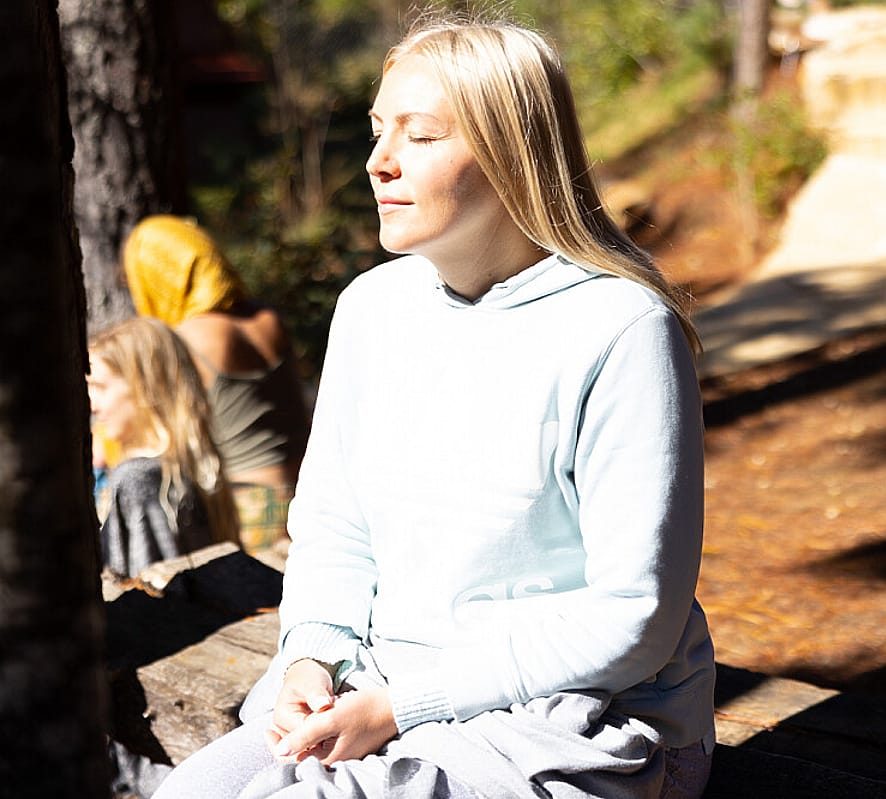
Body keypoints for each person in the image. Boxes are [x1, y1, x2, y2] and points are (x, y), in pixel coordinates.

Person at [153, 11, 714, 799]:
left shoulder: (620, 327)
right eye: (379, 131)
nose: (379, 162)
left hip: (566, 719)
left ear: (513, 152)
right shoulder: (372, 309)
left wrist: (402, 707)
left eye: (418, 136)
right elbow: (336, 528)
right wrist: (314, 653)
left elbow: (635, 617)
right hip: (384, 686)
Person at [121, 214, 311, 562]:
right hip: (307, 487)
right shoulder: (266, 317)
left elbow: (163, 432)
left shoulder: (189, 338)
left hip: (248, 503)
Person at [88, 316, 240, 578]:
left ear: (145, 387)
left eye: (100, 388)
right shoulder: (188, 467)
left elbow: (150, 590)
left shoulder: (138, 478)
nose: (92, 405)